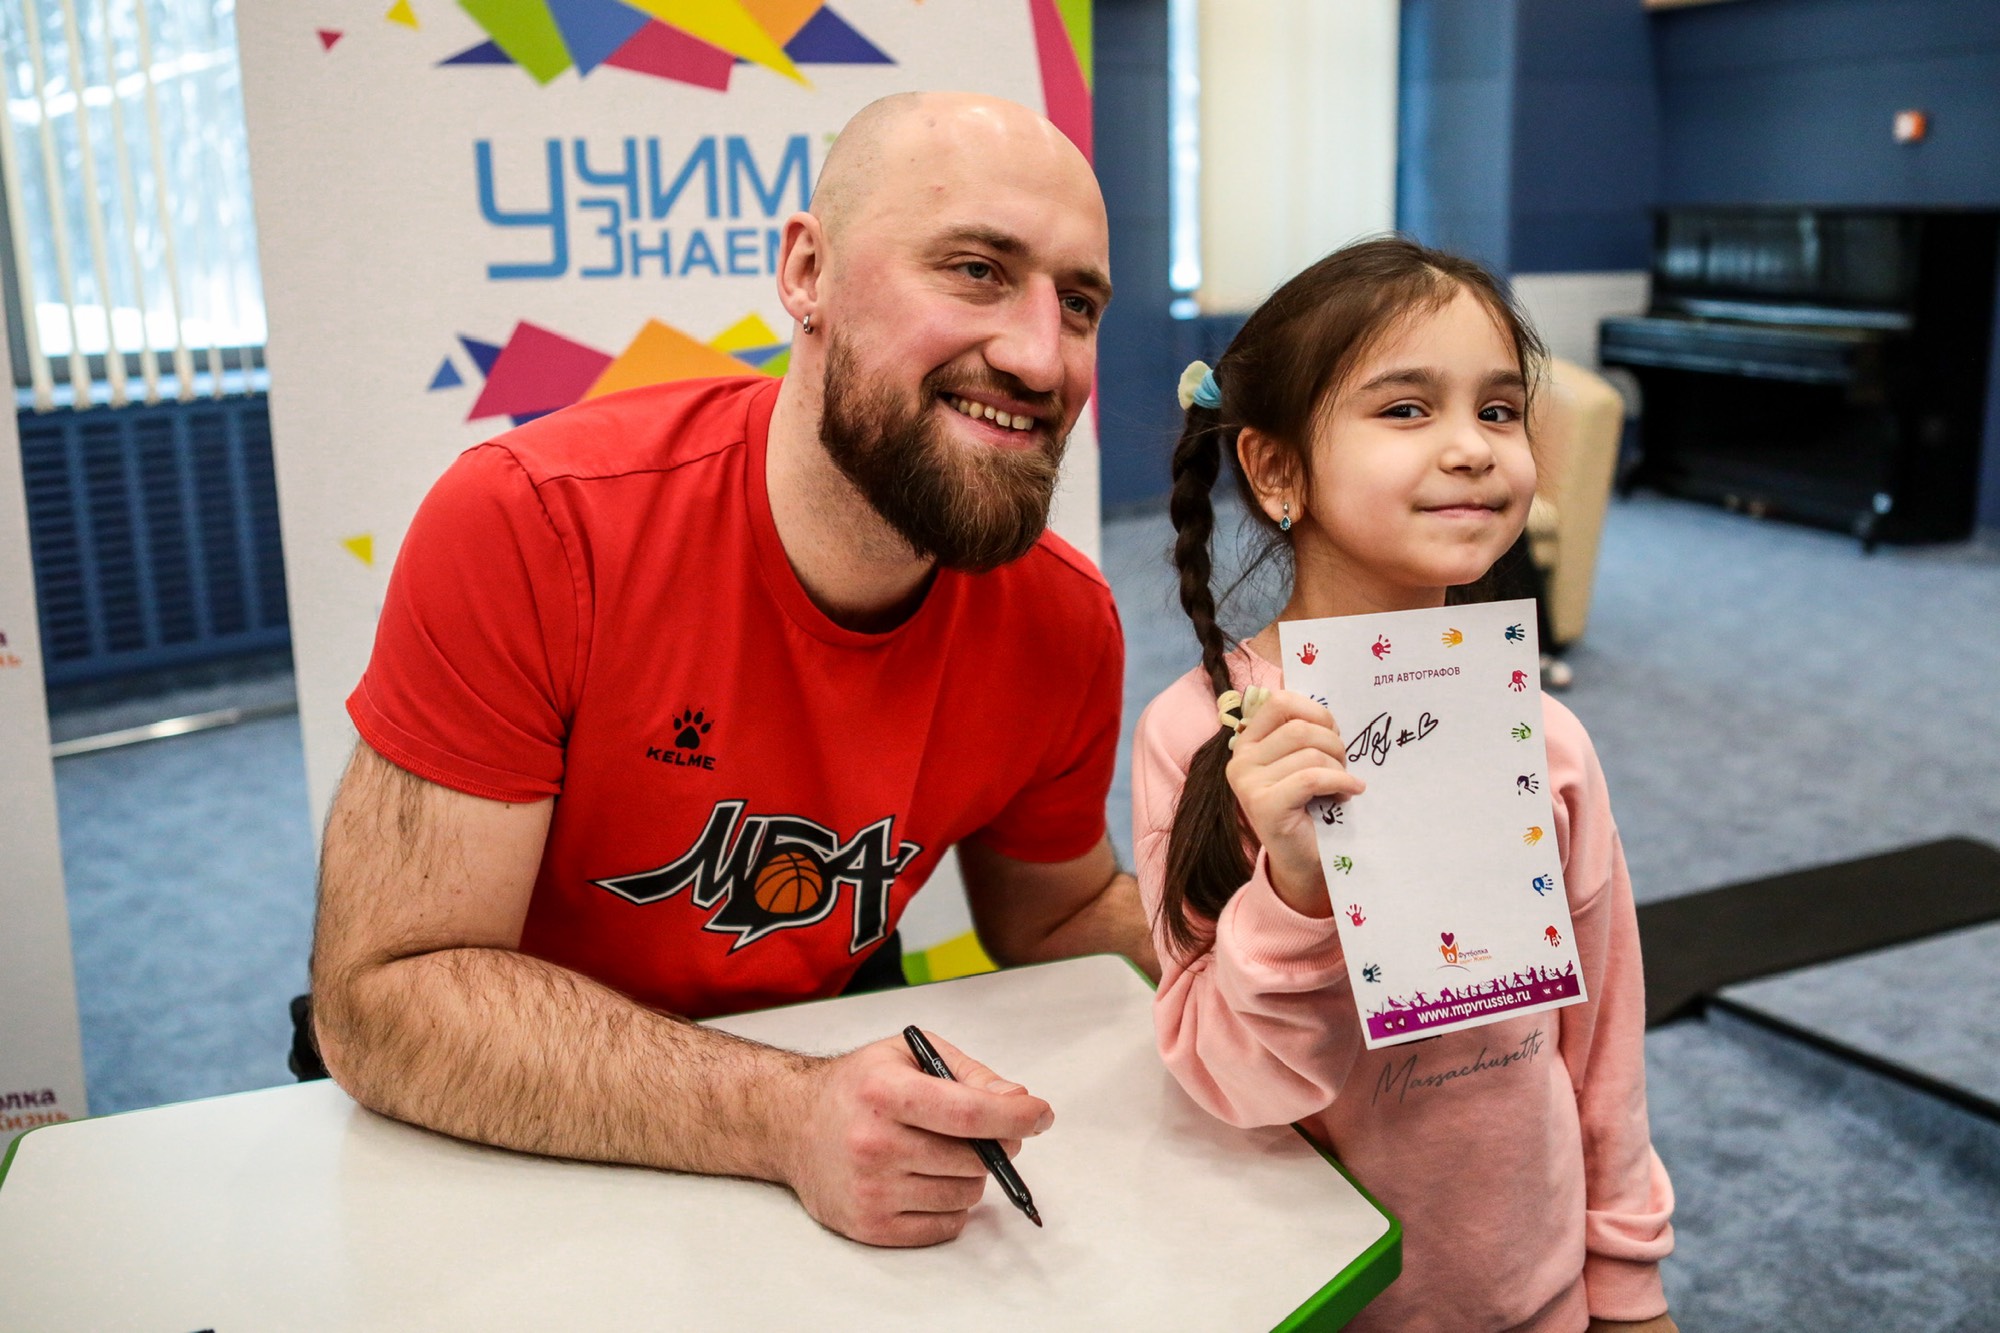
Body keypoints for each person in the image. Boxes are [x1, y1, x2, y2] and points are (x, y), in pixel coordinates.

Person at [309, 91, 1157, 1249]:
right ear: (805, 273)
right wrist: (784, 1114)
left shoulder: (1061, 620)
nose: (1036, 353)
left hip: (830, 1132)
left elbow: (1052, 917)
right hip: (502, 1141)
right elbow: (383, 995)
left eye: (1078, 302)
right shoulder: (534, 527)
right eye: (972, 270)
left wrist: (1295, 913)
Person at [1133, 237, 1676, 1331]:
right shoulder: (1196, 736)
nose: (1472, 450)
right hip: (1316, 1294)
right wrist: (1292, 889)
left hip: (1527, 1286)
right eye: (1404, 409)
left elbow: (1600, 1036)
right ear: (1276, 469)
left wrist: (1621, 1278)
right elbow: (1226, 1078)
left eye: (1496, 409)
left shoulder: (1547, 736)